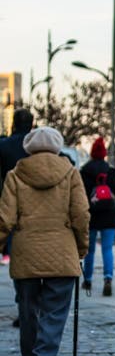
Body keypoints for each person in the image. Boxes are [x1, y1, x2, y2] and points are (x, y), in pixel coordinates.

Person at [0, 126, 89, 356]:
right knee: (55, 312)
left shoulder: (15, 176)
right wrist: (81, 248)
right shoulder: (71, 173)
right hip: (61, 252)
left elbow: (5, 219)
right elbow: (81, 215)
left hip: (26, 252)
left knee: (28, 311)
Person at [80, 137, 115, 297]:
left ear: (92, 153)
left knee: (89, 250)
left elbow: (80, 196)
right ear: (104, 154)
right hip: (110, 216)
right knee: (107, 249)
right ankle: (108, 278)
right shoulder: (111, 172)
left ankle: (87, 279)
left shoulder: (84, 172)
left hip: (90, 216)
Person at [0, 108, 34, 268]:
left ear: (14, 123)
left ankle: (7, 252)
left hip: (7, 191)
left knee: (8, 222)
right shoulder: (35, 145)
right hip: (33, 195)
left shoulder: (4, 144)